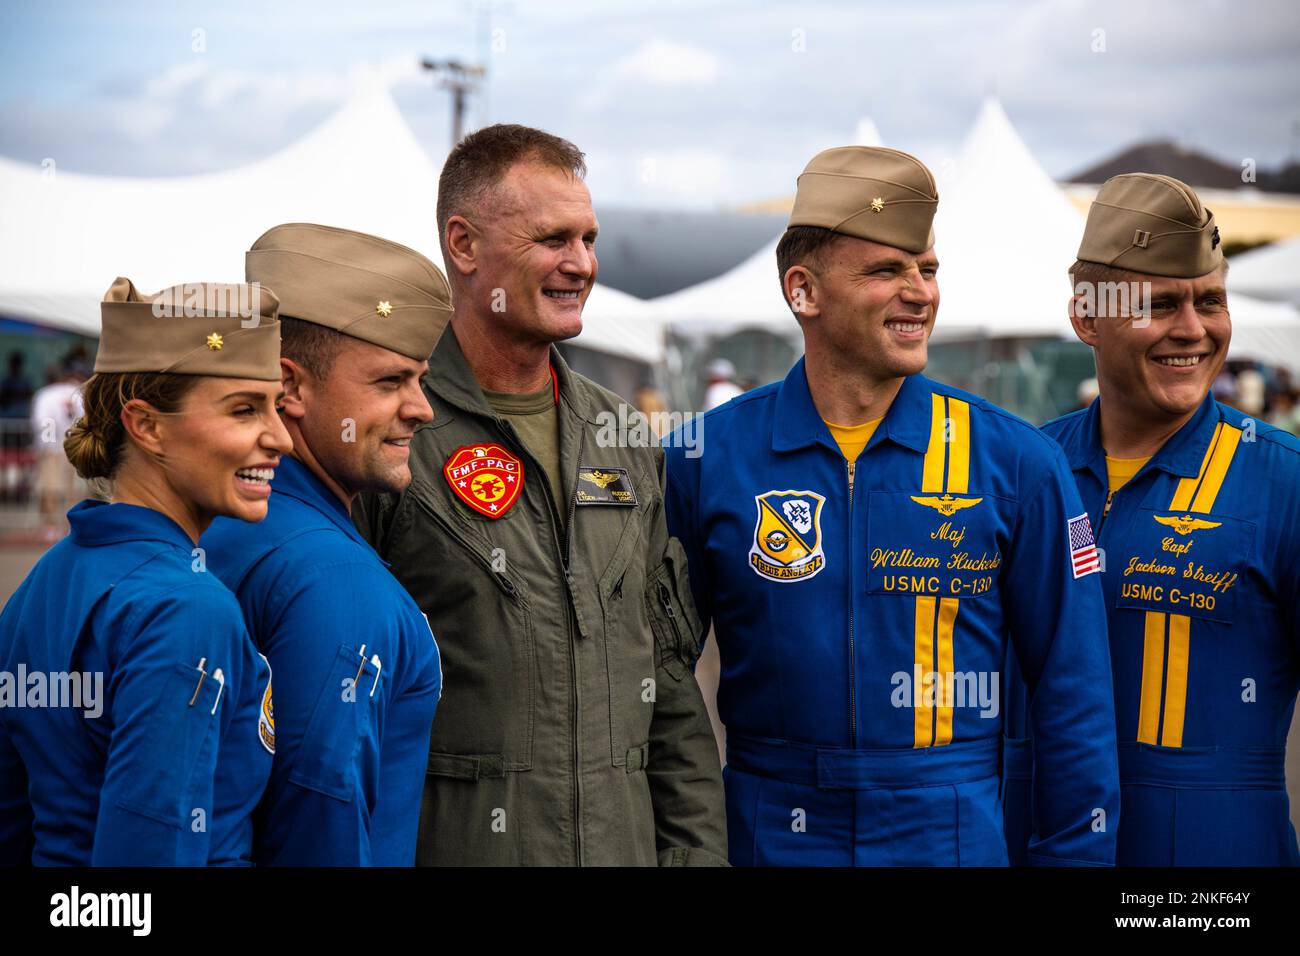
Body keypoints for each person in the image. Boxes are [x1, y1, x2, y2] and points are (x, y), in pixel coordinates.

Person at [663, 146, 1120, 866]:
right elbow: (656, 680)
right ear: (803, 291)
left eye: (928, 269)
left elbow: (1074, 691)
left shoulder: (1017, 463)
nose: (920, 292)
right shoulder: (702, 459)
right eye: (886, 271)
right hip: (768, 833)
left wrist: (1075, 859)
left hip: (950, 835)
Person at [354, 124, 727, 866]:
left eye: (589, 238)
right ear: (464, 246)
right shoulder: (396, 434)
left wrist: (695, 856)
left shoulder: (621, 435)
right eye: (553, 238)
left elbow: (674, 694)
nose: (581, 263)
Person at [1012, 173, 1300, 865]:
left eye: (1212, 301)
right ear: (1086, 316)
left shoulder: (1283, 479)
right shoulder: (1022, 471)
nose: (1195, 331)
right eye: (1161, 304)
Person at [0, 278, 288, 865]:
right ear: (148, 426)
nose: (279, 437)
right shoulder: (186, 606)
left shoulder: (48, 577)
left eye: (276, 407)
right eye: (245, 410)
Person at [201, 224, 447, 866]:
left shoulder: (214, 523)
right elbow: (322, 811)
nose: (421, 408)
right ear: (291, 388)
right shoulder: (333, 576)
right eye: (391, 381)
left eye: (420, 379)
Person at [29, 363, 86, 541]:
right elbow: (85, 418)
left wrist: (48, 445)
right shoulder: (76, 392)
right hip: (74, 444)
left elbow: (43, 421)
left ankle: (51, 527)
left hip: (53, 447)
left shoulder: (45, 394)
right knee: (74, 490)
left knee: (50, 488)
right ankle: (72, 526)